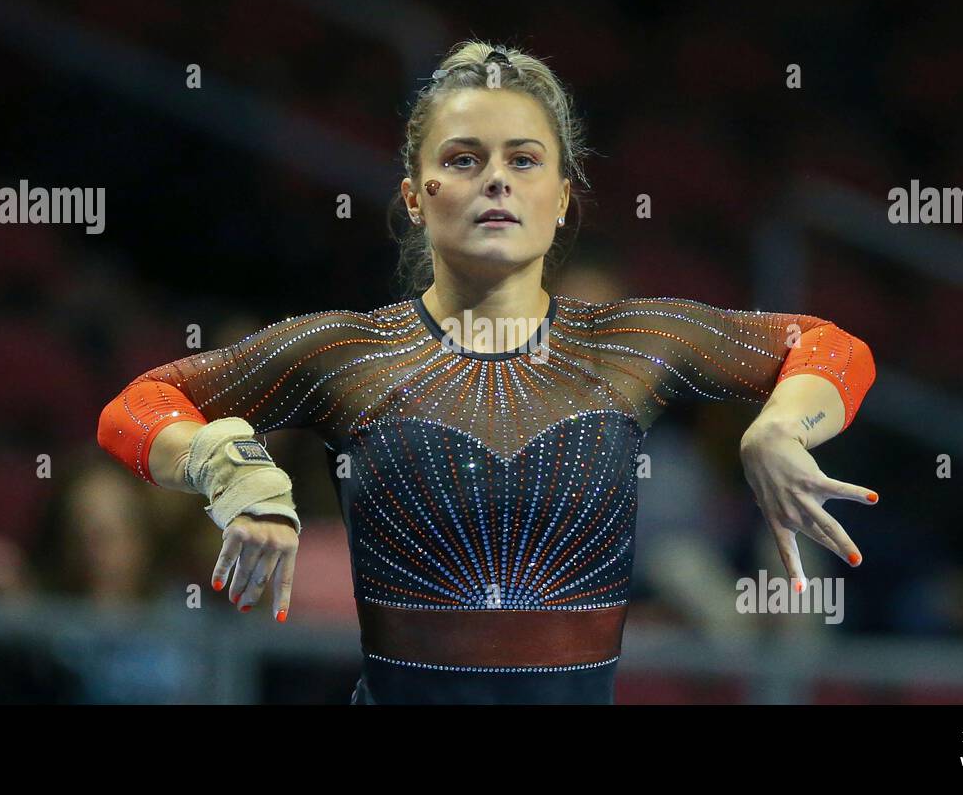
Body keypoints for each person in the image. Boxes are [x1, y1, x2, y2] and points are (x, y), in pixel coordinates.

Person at [96, 41, 877, 704]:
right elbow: (137, 407)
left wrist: (781, 424)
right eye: (463, 159)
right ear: (414, 195)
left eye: (524, 160)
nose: (496, 180)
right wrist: (230, 470)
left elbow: (830, 347)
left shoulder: (630, 345)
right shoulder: (348, 354)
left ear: (563, 197)